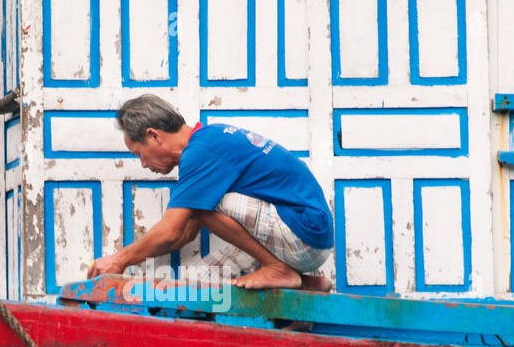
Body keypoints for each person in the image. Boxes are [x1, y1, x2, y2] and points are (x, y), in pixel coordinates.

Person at [87, 94, 334, 290]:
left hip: (304, 234)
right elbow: (183, 235)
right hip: (303, 239)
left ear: (153, 135)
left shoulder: (201, 152)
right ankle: (306, 285)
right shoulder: (208, 142)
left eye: (138, 153)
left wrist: (119, 259)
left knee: (202, 207)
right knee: (199, 280)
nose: (143, 164)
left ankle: (277, 269)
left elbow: (171, 231)